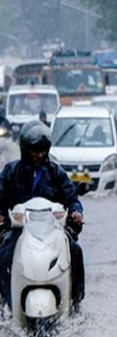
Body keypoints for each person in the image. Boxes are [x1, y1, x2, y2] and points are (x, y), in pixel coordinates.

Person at [0, 120, 85, 309]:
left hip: (52, 230)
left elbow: (72, 199)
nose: (39, 155)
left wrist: (76, 213)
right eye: (34, 151)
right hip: (18, 230)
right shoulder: (11, 172)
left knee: (76, 251)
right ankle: (6, 302)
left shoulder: (56, 172)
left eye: (43, 151)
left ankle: (76, 302)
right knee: (3, 253)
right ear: (24, 149)